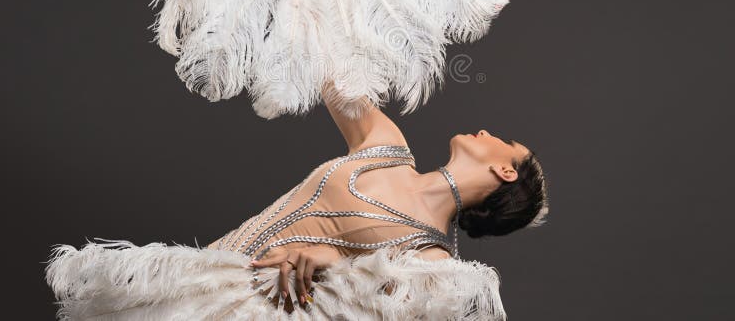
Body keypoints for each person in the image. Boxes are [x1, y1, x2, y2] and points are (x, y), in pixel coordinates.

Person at [47, 79, 548, 320]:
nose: (487, 130)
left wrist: (337, 266)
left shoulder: (432, 262)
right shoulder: (387, 146)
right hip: (182, 297)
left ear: (505, 171)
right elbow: (327, 57)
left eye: (504, 140)